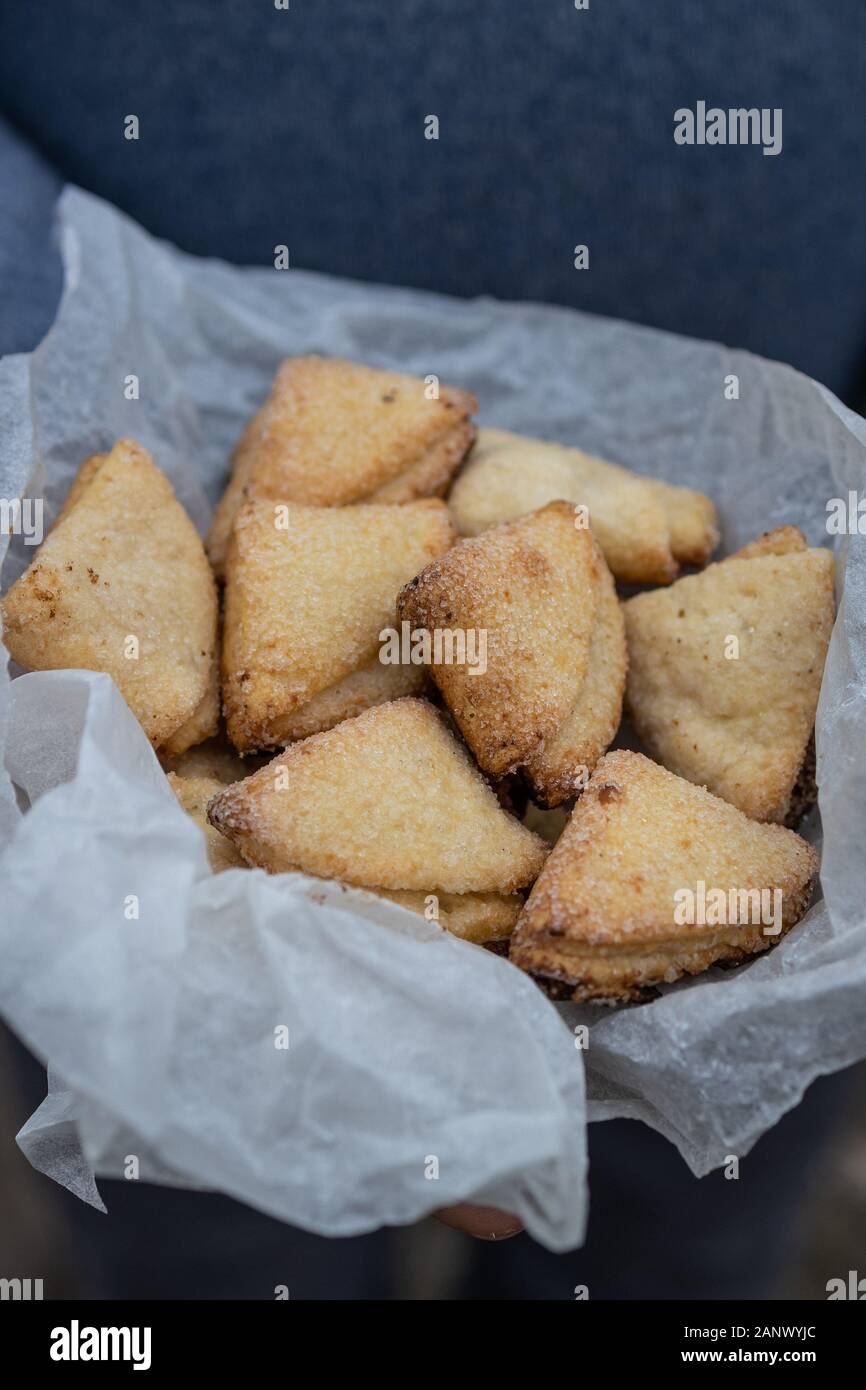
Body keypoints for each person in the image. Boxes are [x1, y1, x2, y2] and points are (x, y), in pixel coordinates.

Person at [1, 0, 862, 1299]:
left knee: (682, 1221)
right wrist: (23, 331)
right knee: (215, 1221)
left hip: (768, 445)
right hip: (163, 403)